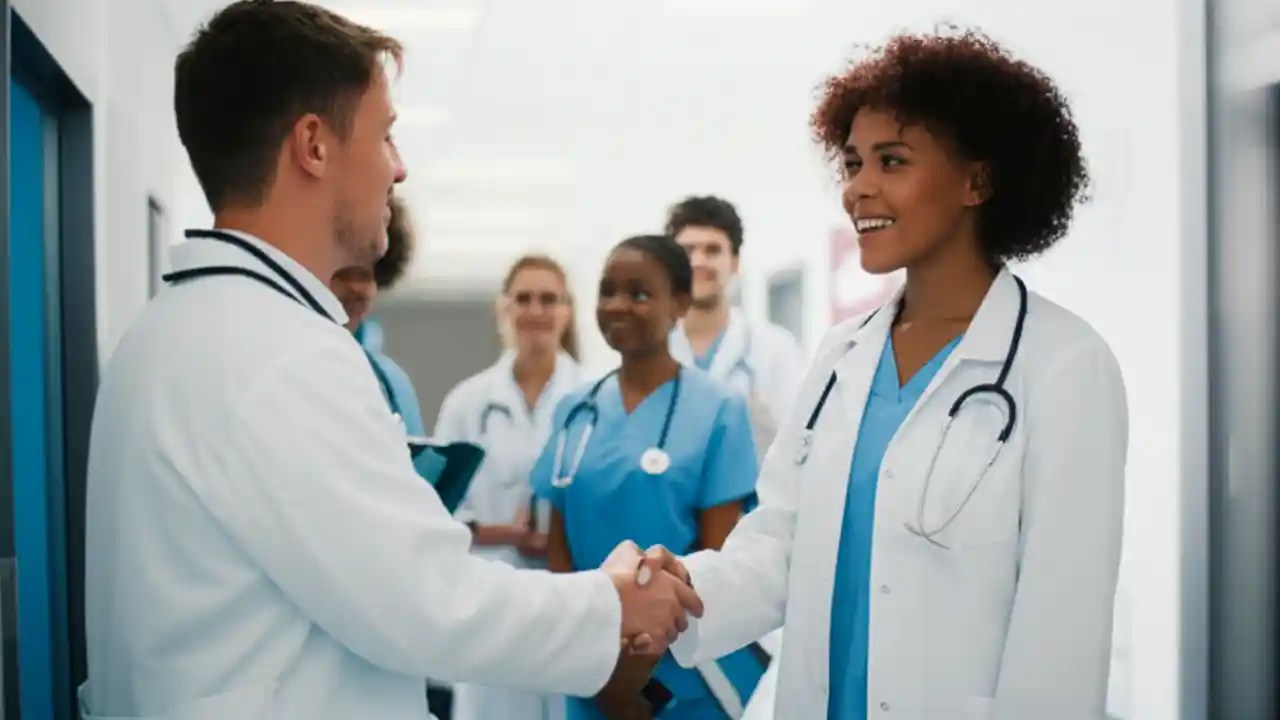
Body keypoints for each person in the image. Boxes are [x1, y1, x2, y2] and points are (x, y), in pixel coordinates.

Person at [80, 3, 700, 719]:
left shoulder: (174, 328)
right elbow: (429, 600)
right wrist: (612, 603)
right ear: (313, 145)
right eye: (386, 135)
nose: (399, 169)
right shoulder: (282, 351)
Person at [655, 29, 1129, 719]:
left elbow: (1061, 637)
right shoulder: (842, 356)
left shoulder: (1063, 366)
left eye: (892, 160)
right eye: (852, 164)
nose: (858, 189)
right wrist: (676, 588)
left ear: (980, 180)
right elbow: (776, 550)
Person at [533, 235, 766, 719]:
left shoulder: (719, 410)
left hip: (684, 673)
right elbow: (559, 547)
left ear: (679, 303)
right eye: (607, 291)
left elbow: (715, 558)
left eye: (639, 293)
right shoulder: (576, 410)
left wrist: (633, 677)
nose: (618, 305)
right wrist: (600, 663)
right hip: (591, 667)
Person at [434, 254, 584, 720]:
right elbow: (436, 512)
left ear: (567, 311)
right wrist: (505, 533)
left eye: (548, 299)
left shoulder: (594, 398)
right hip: (490, 603)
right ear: (503, 309)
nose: (536, 310)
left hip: (571, 600)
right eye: (523, 298)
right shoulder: (468, 402)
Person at [665, 196, 806, 458]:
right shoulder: (651, 350)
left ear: (735, 263)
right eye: (687, 251)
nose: (698, 261)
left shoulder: (775, 349)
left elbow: (798, 444)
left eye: (713, 250)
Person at [330, 196, 444, 484]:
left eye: (369, 275)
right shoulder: (288, 362)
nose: (357, 289)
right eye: (344, 274)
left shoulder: (393, 383)